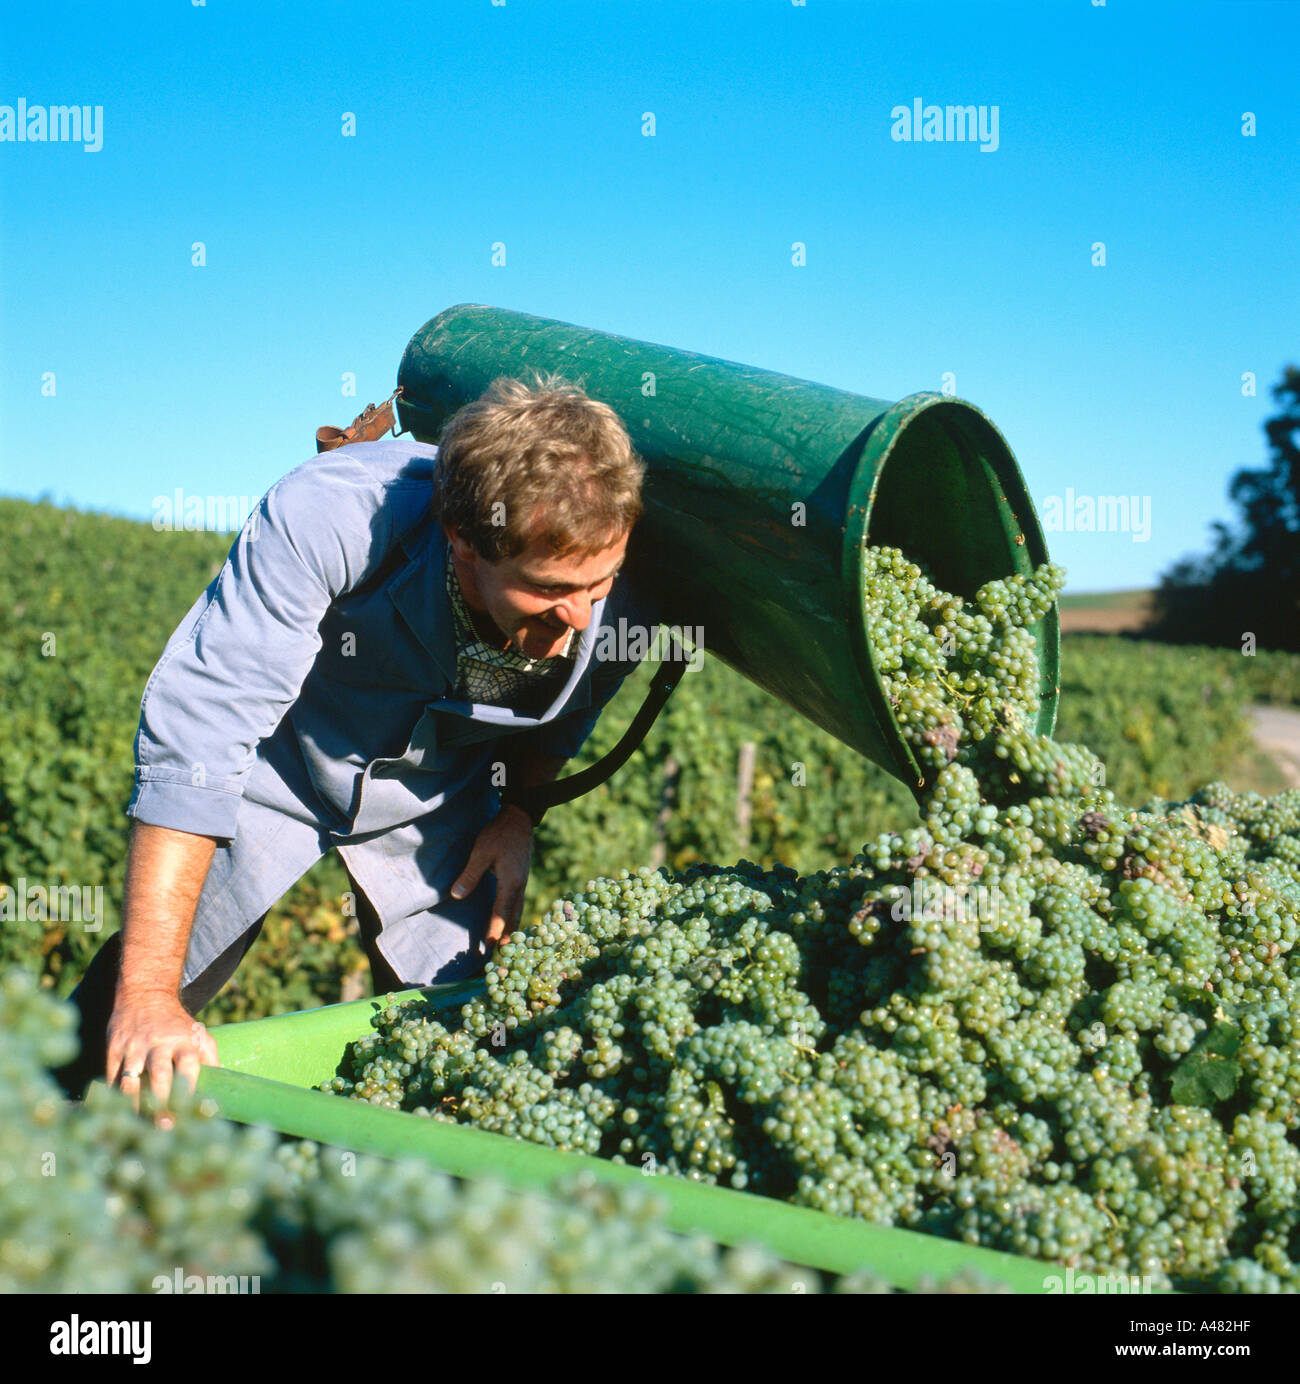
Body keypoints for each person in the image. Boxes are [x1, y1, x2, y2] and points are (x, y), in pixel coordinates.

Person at [57, 372, 659, 1108]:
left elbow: (571, 710)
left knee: (456, 1059)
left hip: (437, 804)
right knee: (120, 1023)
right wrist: (147, 995)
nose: (577, 619)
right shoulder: (327, 513)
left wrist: (519, 814)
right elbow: (202, 733)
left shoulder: (623, 600)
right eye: (547, 590)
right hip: (275, 770)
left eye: (597, 587)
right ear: (463, 541)